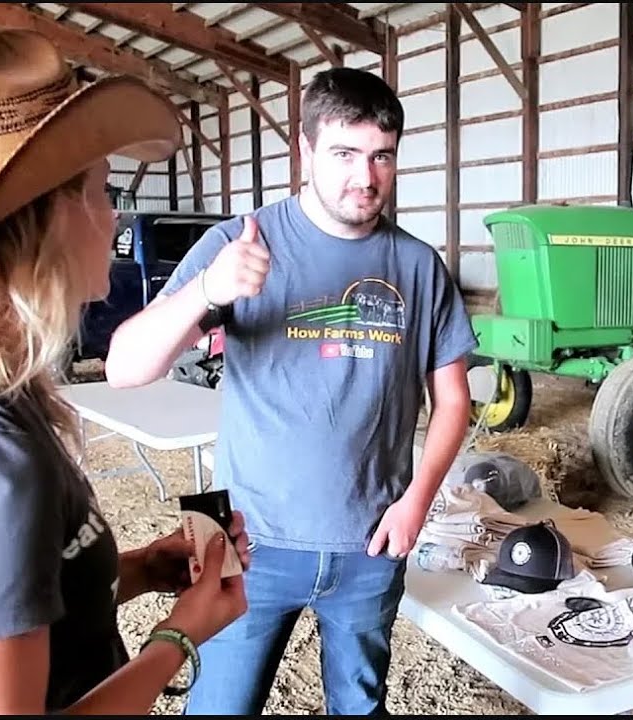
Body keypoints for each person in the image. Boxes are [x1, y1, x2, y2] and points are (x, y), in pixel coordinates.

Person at [0, 29, 250, 715]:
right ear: (44, 222)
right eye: (99, 188)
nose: (114, 214)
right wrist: (179, 639)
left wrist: (141, 568)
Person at [103, 65, 477, 715]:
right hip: (234, 531)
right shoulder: (236, 243)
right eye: (344, 154)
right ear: (303, 151)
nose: (366, 177)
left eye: (382, 157)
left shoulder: (419, 265)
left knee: (359, 708)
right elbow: (124, 367)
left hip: (370, 540)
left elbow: (452, 399)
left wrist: (417, 501)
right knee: (216, 707)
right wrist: (208, 290)